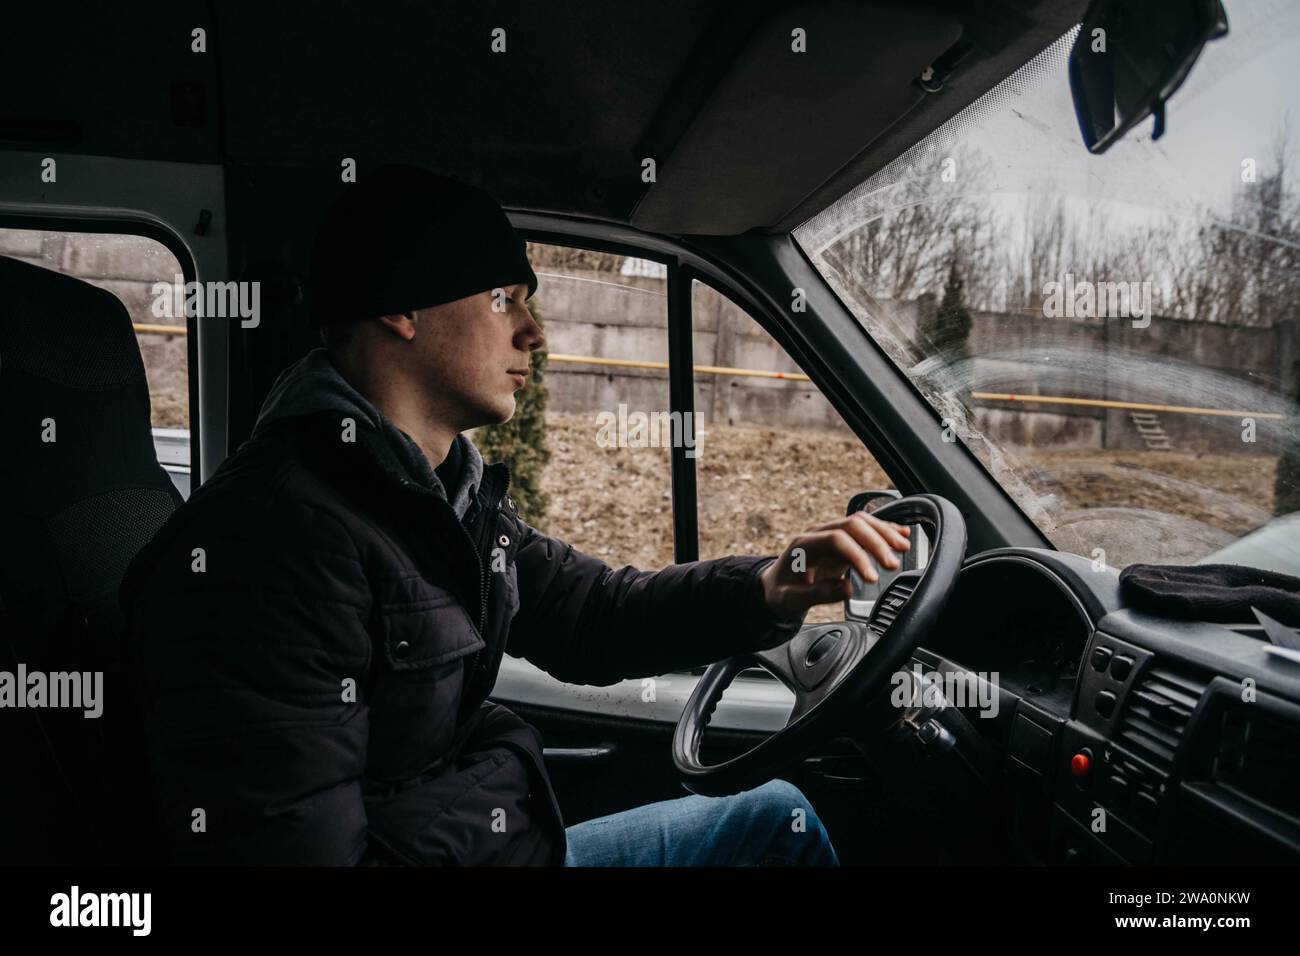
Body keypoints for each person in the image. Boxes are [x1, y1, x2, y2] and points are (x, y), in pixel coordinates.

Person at [119, 165, 911, 867]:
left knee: (782, 822)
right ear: (402, 307)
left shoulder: (435, 496)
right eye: (506, 301)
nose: (535, 334)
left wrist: (773, 589)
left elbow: (596, 615)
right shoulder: (278, 546)